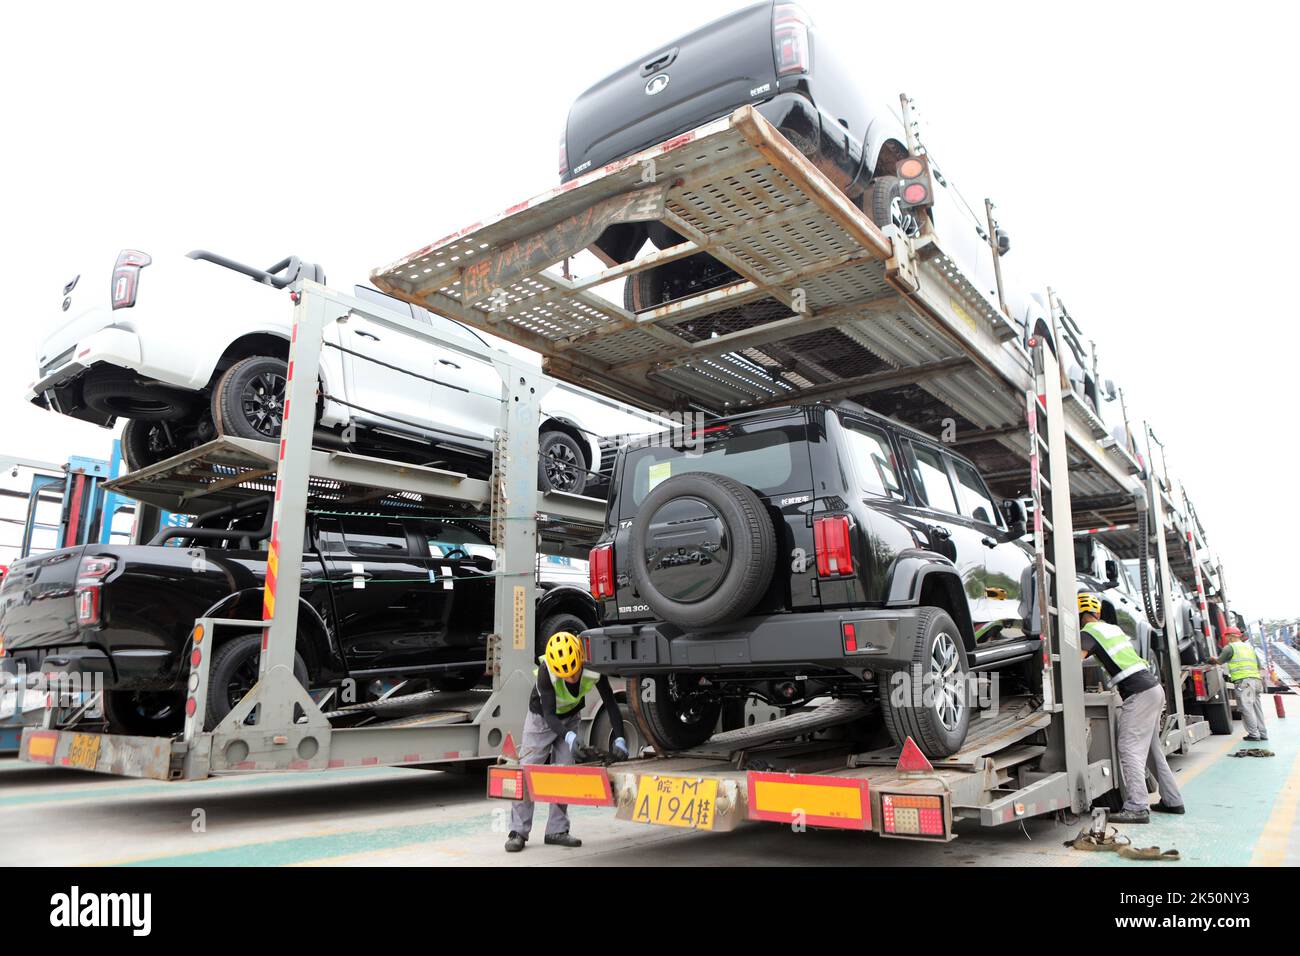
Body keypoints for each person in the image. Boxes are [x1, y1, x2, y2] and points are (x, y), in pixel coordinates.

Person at [504, 631, 629, 852]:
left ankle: (557, 830)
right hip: (541, 720)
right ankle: (518, 832)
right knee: (526, 771)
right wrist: (570, 737)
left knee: (564, 773)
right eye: (566, 676)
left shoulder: (593, 667)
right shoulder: (545, 672)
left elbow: (610, 702)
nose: (571, 679)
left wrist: (620, 738)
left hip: (571, 717)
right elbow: (550, 715)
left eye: (574, 673)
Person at [1078, 591, 1185, 823]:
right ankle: (1173, 800)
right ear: (1097, 612)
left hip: (1138, 693)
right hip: (1153, 688)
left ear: (1079, 616)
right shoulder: (1113, 629)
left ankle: (1137, 806)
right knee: (1151, 751)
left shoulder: (1087, 633)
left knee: (1128, 747)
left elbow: (1076, 657)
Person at [1216, 626, 1268, 742]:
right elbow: (1259, 666)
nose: (1226, 639)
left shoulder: (1230, 648)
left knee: (1247, 708)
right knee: (1257, 708)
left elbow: (1219, 661)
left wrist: (1212, 659)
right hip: (1256, 681)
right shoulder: (1249, 648)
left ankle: (1254, 735)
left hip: (1244, 682)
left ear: (1231, 636)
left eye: (1227, 636)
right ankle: (1263, 733)